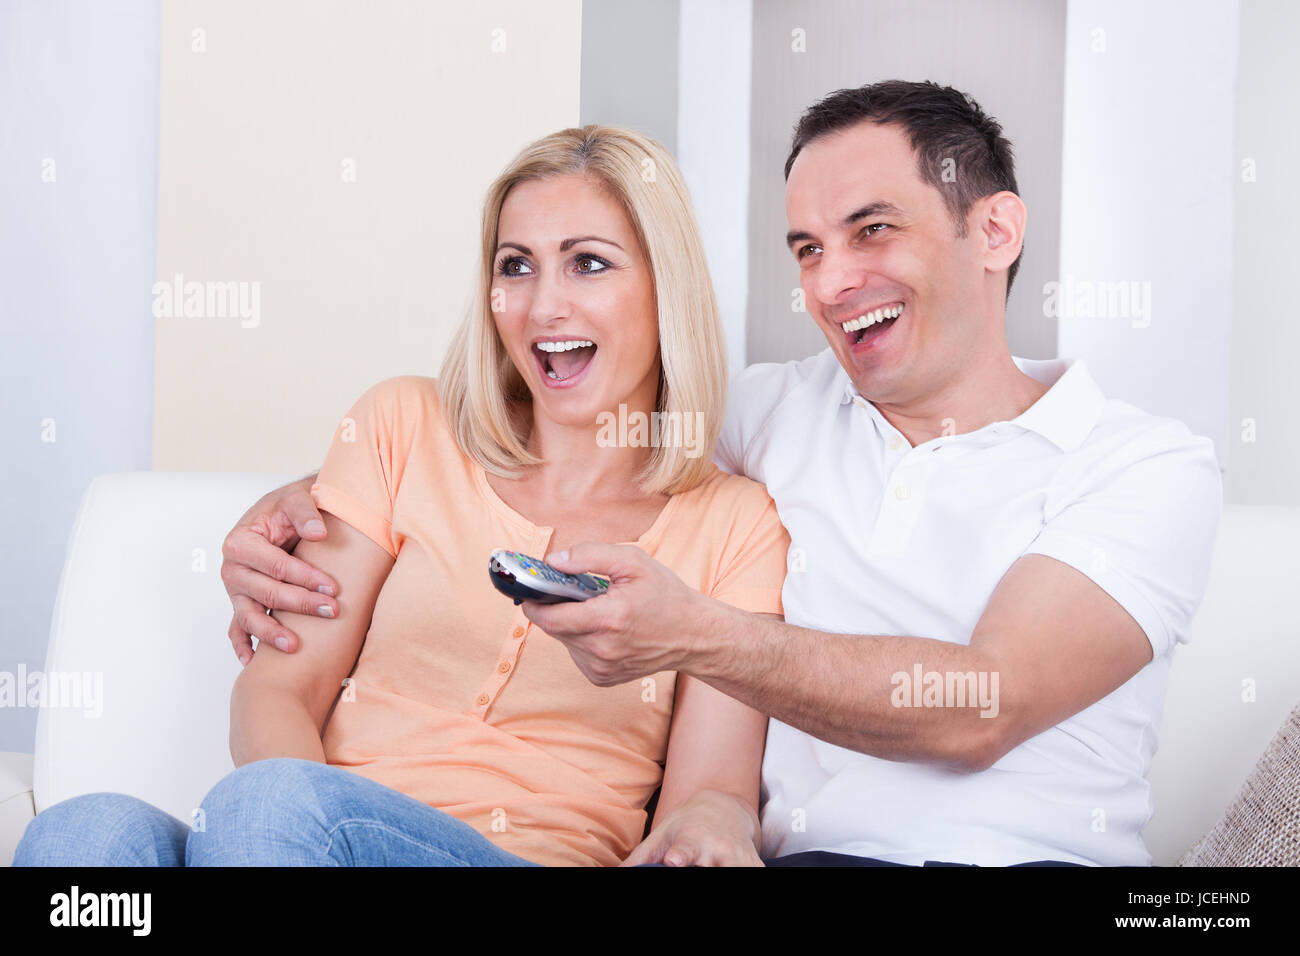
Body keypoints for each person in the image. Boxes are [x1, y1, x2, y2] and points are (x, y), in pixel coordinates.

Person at [219, 80, 1224, 868]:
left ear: (994, 231)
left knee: (267, 807)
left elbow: (983, 705)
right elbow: (584, 426)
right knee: (90, 844)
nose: (829, 283)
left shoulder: (1141, 463)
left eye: (871, 230)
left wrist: (704, 636)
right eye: (805, 249)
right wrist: (301, 499)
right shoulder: (772, 416)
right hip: (815, 863)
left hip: (1033, 863)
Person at [13, 125, 790, 868]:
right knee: (83, 834)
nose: (543, 305)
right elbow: (279, 687)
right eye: (515, 265)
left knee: (270, 807)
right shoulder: (402, 425)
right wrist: (287, 825)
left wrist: (278, 814)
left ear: (667, 285)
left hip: (524, 855)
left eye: (588, 263)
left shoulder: (736, 526)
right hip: (303, 835)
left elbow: (708, 792)